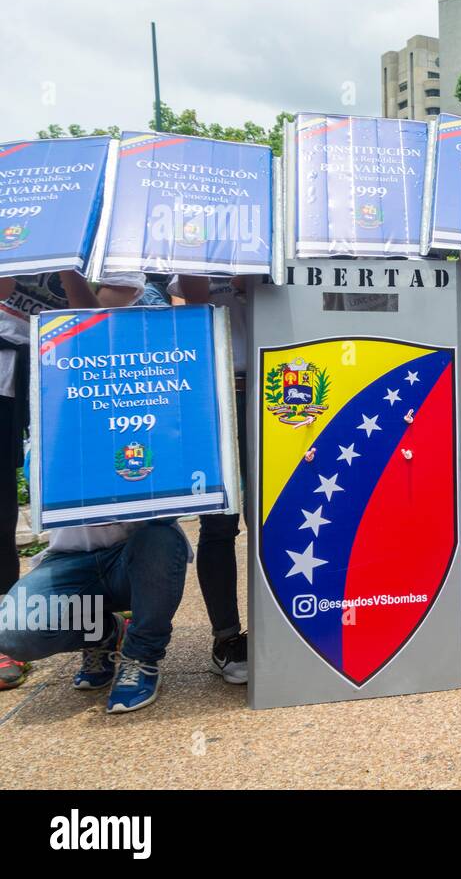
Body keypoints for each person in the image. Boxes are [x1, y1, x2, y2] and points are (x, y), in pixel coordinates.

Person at [0, 269, 143, 690]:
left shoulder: (111, 228)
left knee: (115, 494)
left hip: (81, 367)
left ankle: (136, 635)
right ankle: (92, 629)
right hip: (9, 368)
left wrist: (66, 264)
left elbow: (97, 315)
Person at [0, 519, 189, 712]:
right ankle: (102, 631)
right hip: (67, 556)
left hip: (138, 549)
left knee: (162, 540)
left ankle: (140, 654)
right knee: (13, 633)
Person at [171, 275, 248, 683]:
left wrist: (249, 278)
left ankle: (288, 626)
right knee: (218, 524)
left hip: (278, 384)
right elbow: (192, 302)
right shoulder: (197, 227)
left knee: (278, 519)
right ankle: (227, 638)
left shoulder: (280, 224)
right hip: (216, 389)